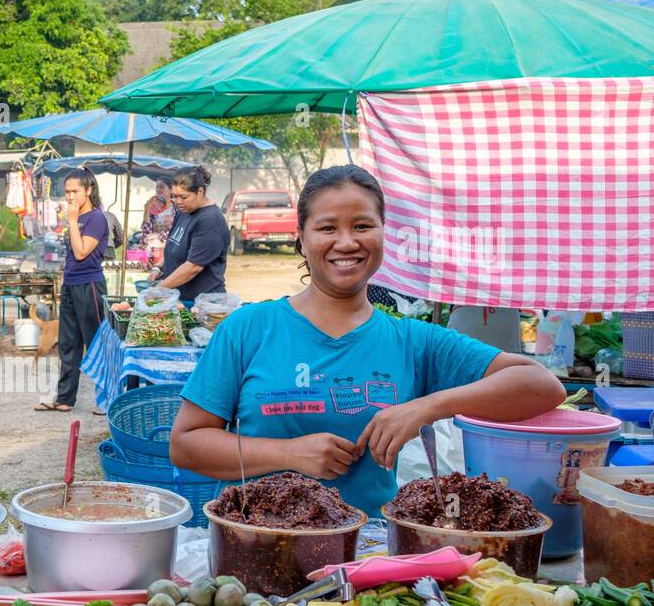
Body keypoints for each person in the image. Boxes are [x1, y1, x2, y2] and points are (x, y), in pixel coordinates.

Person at [170, 165, 564, 517]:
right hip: (254, 542)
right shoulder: (248, 328)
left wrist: (427, 407)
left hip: (367, 557)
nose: (346, 243)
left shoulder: (414, 341)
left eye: (362, 226)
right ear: (301, 238)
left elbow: (541, 386)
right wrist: (288, 454)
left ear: (382, 234)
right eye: (327, 228)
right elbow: (187, 445)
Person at [36, 168, 109, 413]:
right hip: (70, 283)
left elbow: (80, 252)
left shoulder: (96, 218)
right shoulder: (76, 218)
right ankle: (64, 399)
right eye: (66, 192)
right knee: (68, 343)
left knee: (97, 343)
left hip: (89, 286)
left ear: (89, 190)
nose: (70, 197)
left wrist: (70, 220)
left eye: (75, 191)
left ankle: (107, 400)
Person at [149, 166, 228, 304]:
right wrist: (159, 267)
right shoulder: (183, 211)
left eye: (183, 197)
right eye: (174, 196)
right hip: (179, 299)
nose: (178, 202)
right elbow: (174, 246)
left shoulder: (210, 220)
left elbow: (193, 267)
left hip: (202, 304)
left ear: (200, 192)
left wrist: (158, 290)